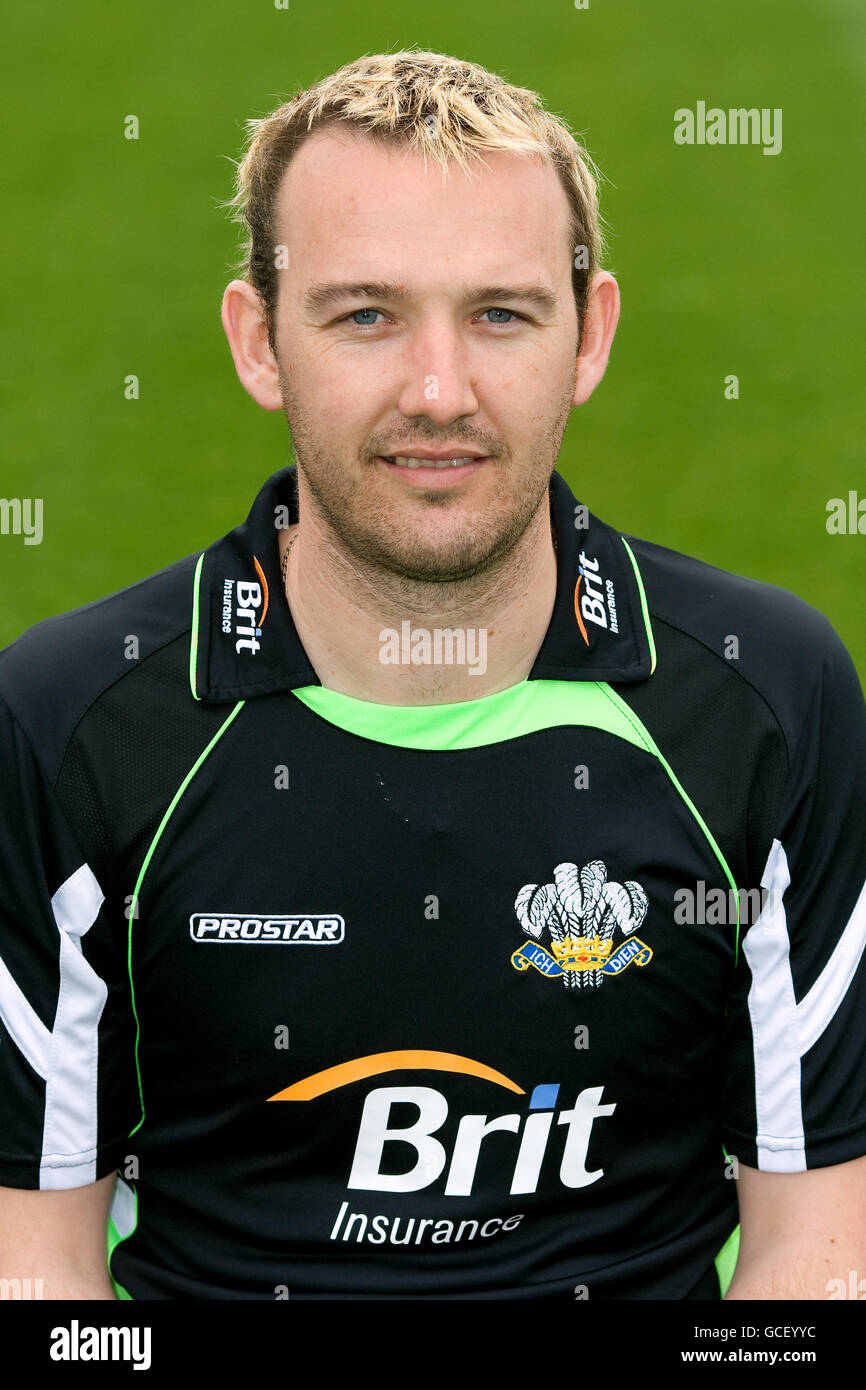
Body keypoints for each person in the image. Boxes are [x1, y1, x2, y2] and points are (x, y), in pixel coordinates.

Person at [0, 49, 864, 1303]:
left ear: (589, 336)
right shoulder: (73, 722)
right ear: (259, 342)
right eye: (365, 315)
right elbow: (37, 1268)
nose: (438, 392)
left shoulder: (761, 701)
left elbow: (818, 1253)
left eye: (500, 314)